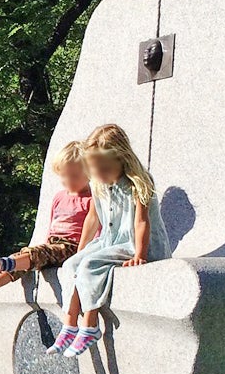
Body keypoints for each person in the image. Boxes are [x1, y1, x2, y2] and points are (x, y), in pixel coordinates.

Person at [48, 123, 157, 358]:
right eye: (94, 170)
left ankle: (90, 325)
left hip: (132, 243)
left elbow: (141, 222)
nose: (98, 176)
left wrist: (140, 254)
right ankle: (70, 324)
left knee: (91, 265)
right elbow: (93, 218)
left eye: (104, 170)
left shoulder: (137, 182)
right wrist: (81, 249)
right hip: (108, 241)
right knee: (72, 265)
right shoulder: (99, 184)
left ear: (122, 160)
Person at [0, 141, 92, 309]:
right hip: (53, 244)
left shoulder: (90, 200)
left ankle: (1, 264)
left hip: (72, 248)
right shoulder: (59, 197)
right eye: (63, 175)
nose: (68, 180)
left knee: (32, 254)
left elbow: (95, 230)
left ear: (90, 173)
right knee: (21, 260)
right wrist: (46, 242)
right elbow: (52, 224)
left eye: (74, 176)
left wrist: (83, 255)